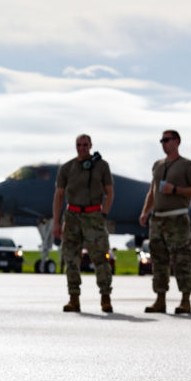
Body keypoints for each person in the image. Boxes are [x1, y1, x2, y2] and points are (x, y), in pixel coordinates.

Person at [138, 130, 191, 315]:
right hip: (158, 220)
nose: (163, 143)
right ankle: (160, 300)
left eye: (166, 140)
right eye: (162, 140)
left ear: (176, 141)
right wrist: (145, 212)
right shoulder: (157, 165)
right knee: (158, 261)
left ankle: (185, 301)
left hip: (177, 219)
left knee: (182, 260)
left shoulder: (187, 165)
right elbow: (152, 191)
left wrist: (174, 190)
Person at [53, 134, 115, 313]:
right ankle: (74, 299)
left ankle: (105, 297)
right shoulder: (67, 168)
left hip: (93, 215)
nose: (82, 148)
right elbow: (59, 195)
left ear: (90, 145)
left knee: (100, 258)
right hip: (72, 216)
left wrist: (103, 214)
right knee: (71, 259)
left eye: (85, 145)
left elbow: (110, 192)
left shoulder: (102, 166)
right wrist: (56, 222)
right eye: (79, 145)